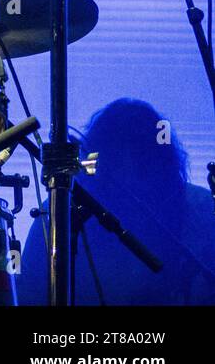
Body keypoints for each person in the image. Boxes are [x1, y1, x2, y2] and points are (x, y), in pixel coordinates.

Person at [16, 98, 215, 305]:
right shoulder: (62, 211)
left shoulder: (200, 209)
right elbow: (28, 294)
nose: (132, 167)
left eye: (143, 154)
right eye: (121, 152)